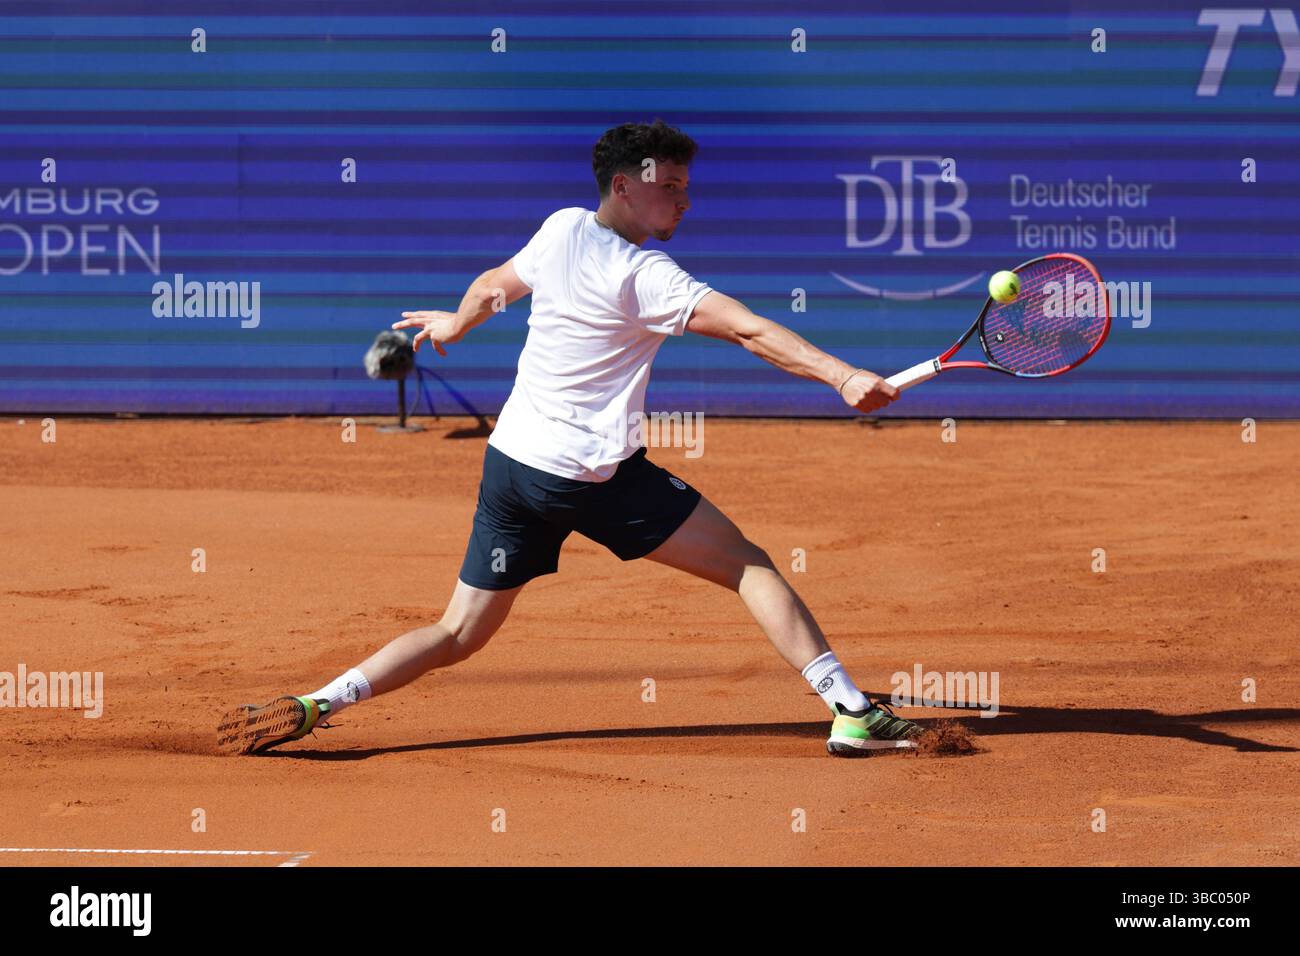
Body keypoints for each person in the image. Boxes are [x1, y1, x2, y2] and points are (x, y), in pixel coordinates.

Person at [218, 119, 925, 758]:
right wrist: (840, 375)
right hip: (590, 478)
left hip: (512, 467)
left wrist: (453, 326)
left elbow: (495, 285)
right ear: (625, 186)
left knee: (458, 633)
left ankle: (317, 703)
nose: (684, 201)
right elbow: (747, 329)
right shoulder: (645, 275)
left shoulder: (561, 229)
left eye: (686, 186)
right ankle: (850, 710)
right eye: (670, 186)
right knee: (748, 564)